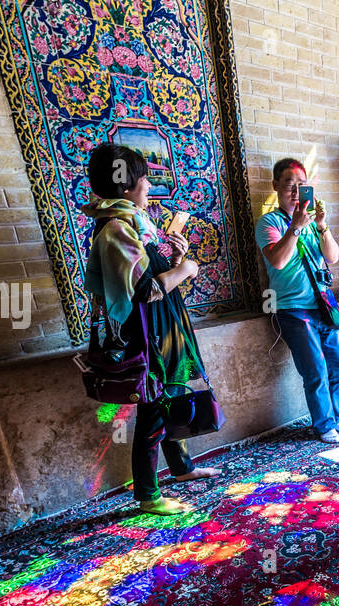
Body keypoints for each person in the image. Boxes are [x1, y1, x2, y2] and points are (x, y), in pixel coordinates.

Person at [82, 143, 220, 516]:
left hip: (165, 328)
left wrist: (175, 258)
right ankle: (147, 494)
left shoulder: (133, 223)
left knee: (171, 399)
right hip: (148, 337)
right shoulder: (115, 230)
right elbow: (146, 290)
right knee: (153, 410)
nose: (147, 185)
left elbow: (155, 276)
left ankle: (181, 469)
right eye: (143, 178)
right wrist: (187, 269)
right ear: (126, 186)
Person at [256, 157, 339, 443]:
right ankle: (323, 426)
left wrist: (321, 226)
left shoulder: (312, 222)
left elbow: (332, 257)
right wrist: (295, 226)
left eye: (302, 185)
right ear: (275, 186)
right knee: (316, 371)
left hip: (323, 305)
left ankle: (334, 416)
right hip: (293, 308)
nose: (296, 192)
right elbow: (278, 260)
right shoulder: (269, 221)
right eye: (289, 185)